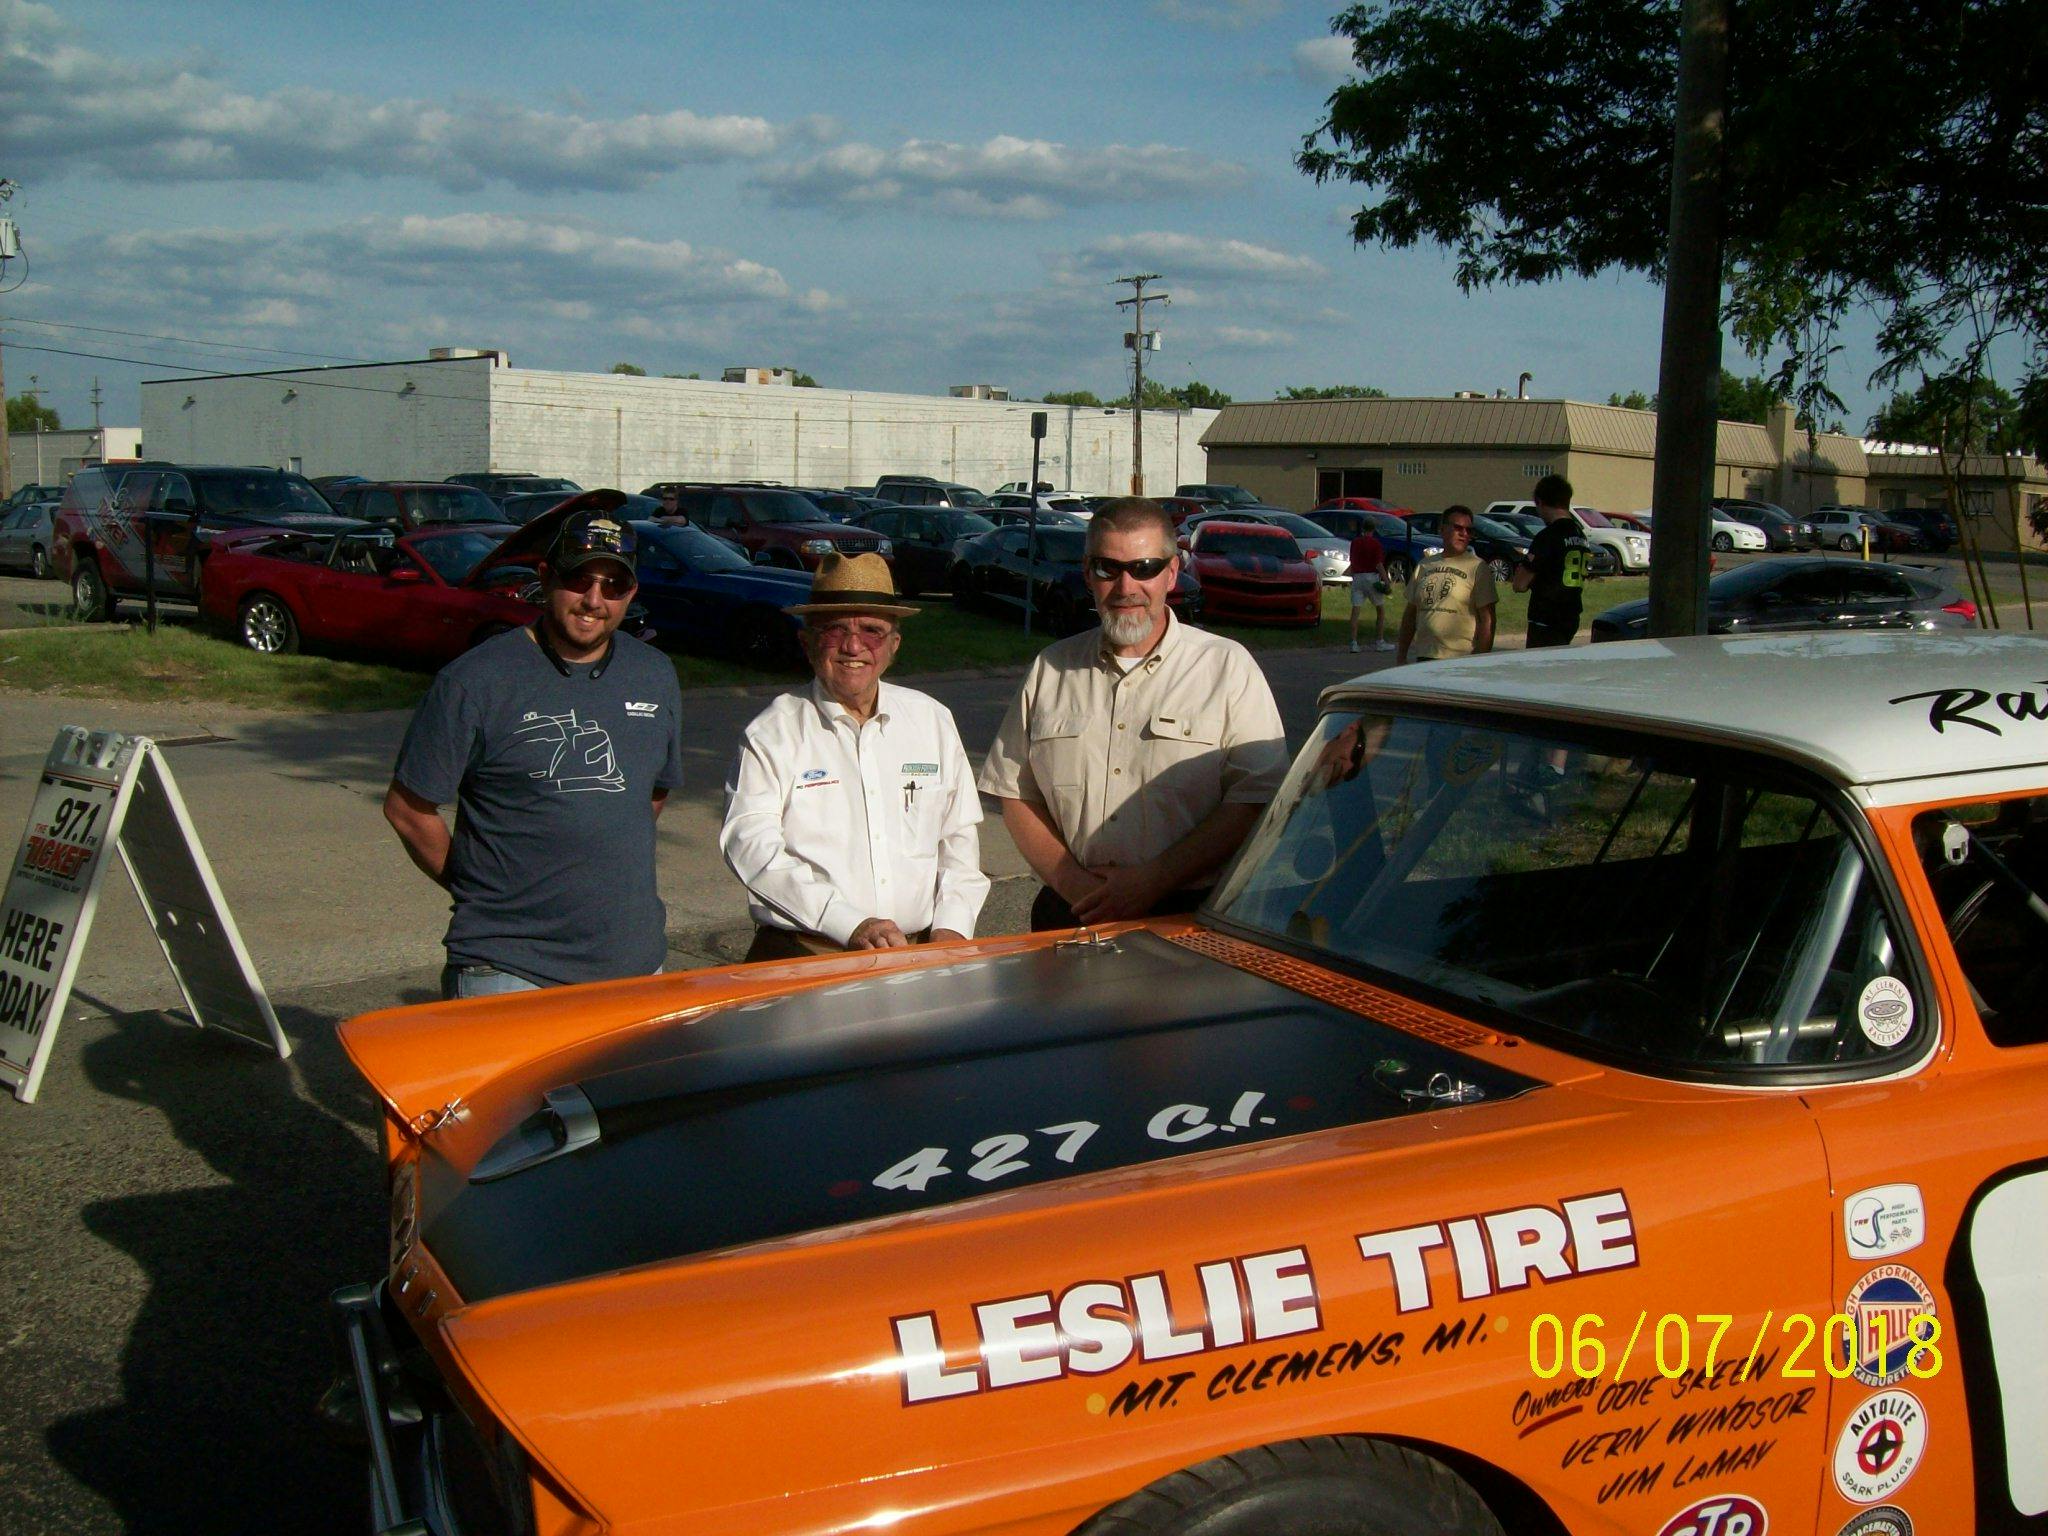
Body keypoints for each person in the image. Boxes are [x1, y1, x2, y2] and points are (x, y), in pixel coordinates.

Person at [384, 506, 684, 998]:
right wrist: (481, 889)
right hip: (509, 968)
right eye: (577, 579)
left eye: (613, 586)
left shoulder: (655, 674)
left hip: (634, 962)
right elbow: (407, 809)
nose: (593, 600)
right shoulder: (474, 681)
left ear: (630, 594)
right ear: (545, 577)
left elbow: (649, 793)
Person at [979, 497, 1288, 931]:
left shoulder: (1226, 668)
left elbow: (1256, 797)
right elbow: (1014, 790)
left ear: (1173, 571)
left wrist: (1154, 880)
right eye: (1108, 568)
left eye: (1144, 567)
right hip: (1071, 912)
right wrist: (1075, 885)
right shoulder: (1051, 668)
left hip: (1187, 917)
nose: (1126, 587)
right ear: (1088, 572)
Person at [721, 552, 988, 960]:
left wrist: (953, 926)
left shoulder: (931, 719)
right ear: (806, 642)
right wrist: (846, 921)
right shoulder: (773, 732)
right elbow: (750, 845)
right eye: (834, 629)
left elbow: (958, 838)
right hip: (805, 952)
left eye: (872, 630)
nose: (853, 645)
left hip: (916, 956)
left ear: (894, 645)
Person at [1395, 504, 1497, 663]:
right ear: (1442, 529)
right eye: (1458, 528)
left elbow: (1488, 619)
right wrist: (1401, 656)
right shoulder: (1424, 565)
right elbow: (1410, 615)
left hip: (1459, 659)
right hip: (1425, 655)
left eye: (1468, 530)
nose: (1464, 534)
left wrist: (1479, 660)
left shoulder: (1478, 568)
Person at [1511, 474, 1590, 649]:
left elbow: (1520, 584)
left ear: (1540, 501)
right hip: (1571, 614)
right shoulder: (1580, 535)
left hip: (1547, 618)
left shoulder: (1548, 536)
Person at [1347, 520, 1391, 652]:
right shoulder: (1376, 544)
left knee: (1356, 610)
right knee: (1380, 609)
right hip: (1371, 577)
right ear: (1374, 529)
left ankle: (1354, 642)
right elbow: (1378, 564)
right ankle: (1379, 641)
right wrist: (1387, 581)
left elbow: (1352, 560)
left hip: (1358, 577)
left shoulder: (1355, 542)